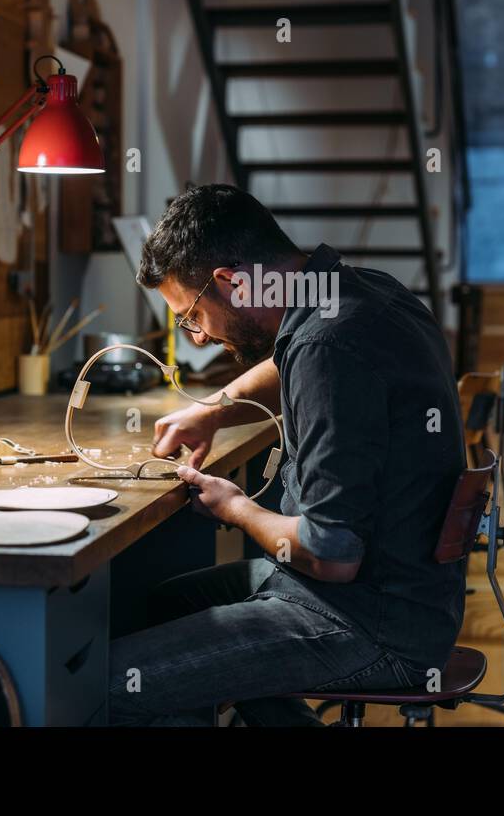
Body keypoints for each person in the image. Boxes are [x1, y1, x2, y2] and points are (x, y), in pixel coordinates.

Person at [108, 184, 465, 725]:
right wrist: (216, 407)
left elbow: (331, 557)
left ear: (232, 282)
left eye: (193, 316)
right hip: (413, 602)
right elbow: (295, 355)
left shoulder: (328, 349)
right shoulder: (359, 294)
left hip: (368, 623)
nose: (198, 339)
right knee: (165, 608)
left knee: (107, 688)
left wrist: (234, 509)